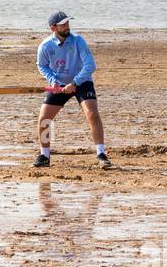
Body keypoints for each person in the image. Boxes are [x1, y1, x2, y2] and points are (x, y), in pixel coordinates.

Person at [33, 11, 112, 170]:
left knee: (92, 113)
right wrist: (53, 81)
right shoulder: (45, 46)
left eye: (68, 23)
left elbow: (90, 65)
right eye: (63, 24)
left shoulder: (78, 41)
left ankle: (101, 154)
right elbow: (42, 65)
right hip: (60, 85)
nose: (67, 26)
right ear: (53, 28)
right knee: (44, 117)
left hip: (82, 82)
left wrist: (75, 82)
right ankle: (44, 155)